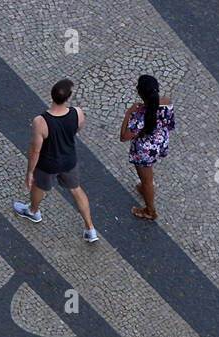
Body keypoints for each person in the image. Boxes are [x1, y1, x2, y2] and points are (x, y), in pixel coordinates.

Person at [14, 78, 99, 243]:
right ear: (67, 98)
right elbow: (76, 129)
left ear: (52, 96)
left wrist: (30, 172)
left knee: (38, 186)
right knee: (76, 190)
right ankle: (90, 228)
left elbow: (35, 150)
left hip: (48, 164)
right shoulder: (77, 113)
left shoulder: (40, 122)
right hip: (69, 161)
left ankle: (33, 211)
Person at [120, 74, 175, 220]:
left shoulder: (139, 116)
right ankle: (144, 189)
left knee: (147, 181)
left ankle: (150, 211)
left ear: (140, 94)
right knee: (146, 179)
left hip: (144, 151)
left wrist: (128, 113)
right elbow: (169, 124)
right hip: (159, 142)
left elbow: (124, 137)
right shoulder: (167, 103)